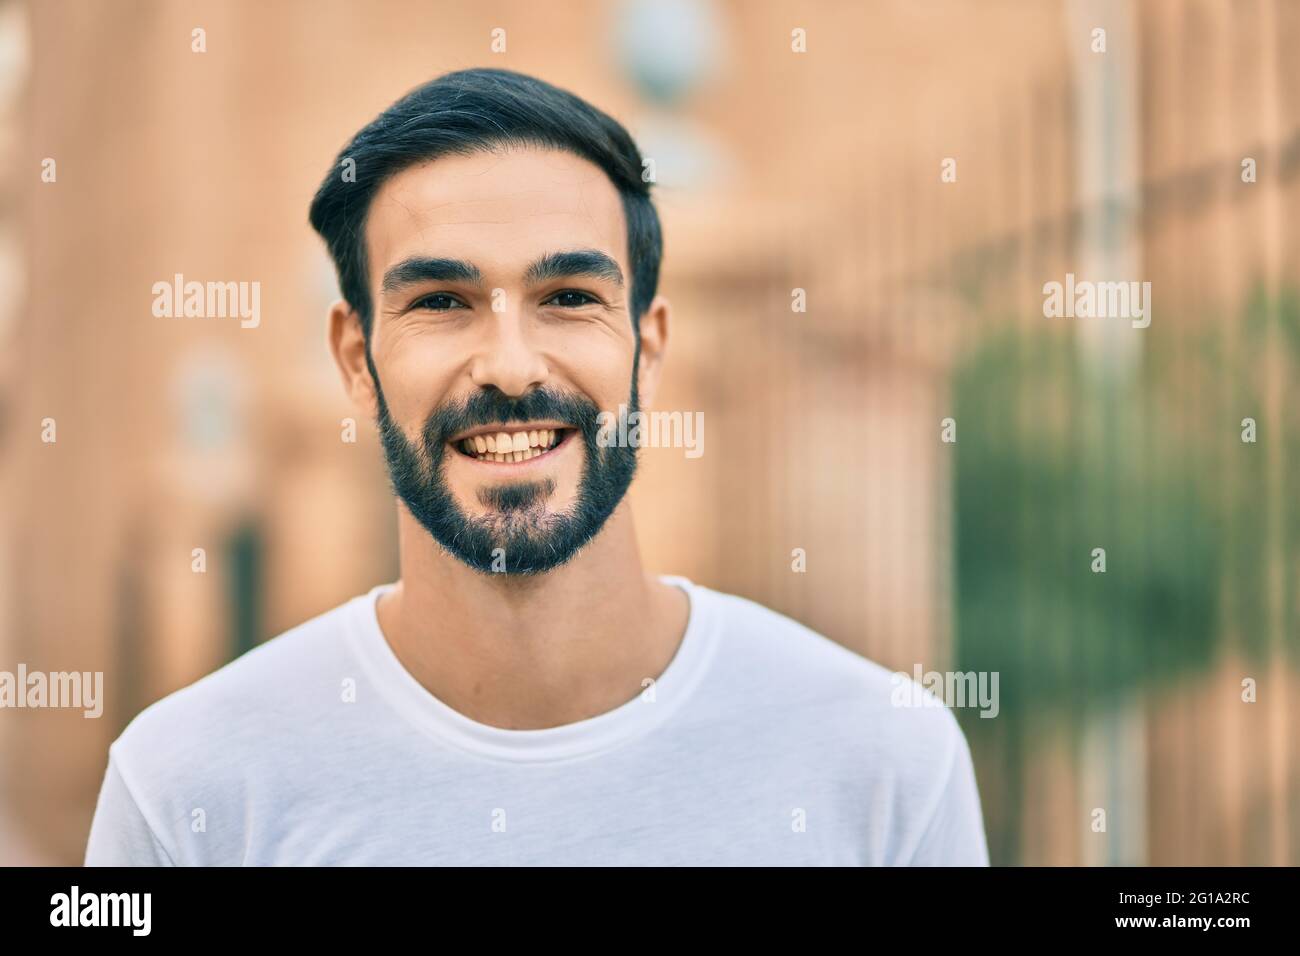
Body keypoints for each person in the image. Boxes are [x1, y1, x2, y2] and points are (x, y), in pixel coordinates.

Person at [85, 68, 988, 866]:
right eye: (442, 301)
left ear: (649, 345)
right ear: (357, 361)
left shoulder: (882, 763)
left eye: (568, 299)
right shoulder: (185, 791)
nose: (511, 366)